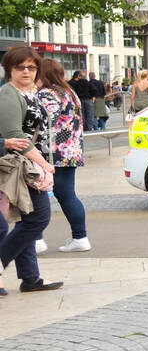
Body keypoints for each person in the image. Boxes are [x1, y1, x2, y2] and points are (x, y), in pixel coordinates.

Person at [0, 45, 61, 293]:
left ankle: (30, 277)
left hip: (30, 165)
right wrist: (44, 163)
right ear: (9, 69)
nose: (26, 71)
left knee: (28, 220)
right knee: (37, 219)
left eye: (31, 67)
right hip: (20, 166)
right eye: (20, 67)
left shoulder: (31, 93)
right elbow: (16, 136)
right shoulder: (8, 94)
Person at [36, 59, 90, 252]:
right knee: (67, 195)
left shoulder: (48, 93)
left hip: (51, 152)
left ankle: (36, 239)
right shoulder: (69, 92)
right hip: (70, 151)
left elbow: (42, 120)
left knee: (37, 193)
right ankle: (80, 236)